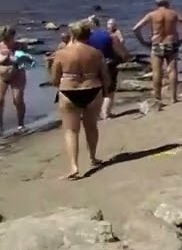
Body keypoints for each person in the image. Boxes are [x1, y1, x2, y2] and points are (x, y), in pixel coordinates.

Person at [51, 21, 109, 179]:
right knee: (91, 126)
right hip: (92, 89)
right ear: (88, 35)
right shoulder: (96, 53)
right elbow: (105, 77)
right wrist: (106, 92)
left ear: (72, 35)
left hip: (69, 90)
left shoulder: (62, 53)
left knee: (71, 131)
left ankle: (74, 167)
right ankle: (93, 157)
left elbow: (55, 79)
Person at [132, 0, 182, 105]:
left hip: (157, 43)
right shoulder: (173, 14)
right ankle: (173, 98)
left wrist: (142, 41)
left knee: (157, 72)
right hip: (172, 43)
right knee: (172, 70)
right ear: (168, 2)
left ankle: (158, 98)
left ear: (157, 3)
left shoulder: (152, 15)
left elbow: (135, 29)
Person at [86, 16, 130, 120]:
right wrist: (125, 58)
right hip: (108, 64)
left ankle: (94, 114)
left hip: (91, 65)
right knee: (109, 90)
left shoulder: (85, 37)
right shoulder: (108, 35)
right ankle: (105, 114)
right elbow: (123, 53)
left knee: (95, 89)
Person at [0, 25, 28, 135]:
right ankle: (0, 126)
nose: (6, 40)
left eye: (8, 37)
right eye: (4, 38)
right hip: (2, 74)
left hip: (17, 73)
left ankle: (21, 124)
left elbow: (26, 59)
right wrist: (4, 59)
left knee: (17, 99)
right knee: (0, 100)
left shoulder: (19, 46)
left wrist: (18, 58)